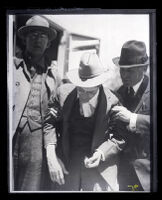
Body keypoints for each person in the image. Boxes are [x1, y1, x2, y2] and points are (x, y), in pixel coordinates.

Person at [43, 52, 125, 191]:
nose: (85, 96)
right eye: (81, 90)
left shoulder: (114, 101)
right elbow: (49, 123)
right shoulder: (63, 94)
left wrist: (101, 153)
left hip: (98, 168)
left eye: (91, 92)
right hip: (68, 164)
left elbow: (120, 137)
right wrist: (52, 156)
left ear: (100, 84)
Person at [12, 15, 61, 191]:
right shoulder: (12, 68)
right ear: (24, 39)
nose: (37, 39)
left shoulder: (54, 76)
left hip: (36, 144)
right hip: (11, 136)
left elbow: (54, 117)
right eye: (32, 34)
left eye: (42, 35)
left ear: (48, 43)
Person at [111, 40, 150, 191]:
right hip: (124, 174)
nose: (124, 75)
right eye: (122, 70)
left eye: (130, 70)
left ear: (144, 68)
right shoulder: (119, 93)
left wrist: (133, 119)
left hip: (148, 177)